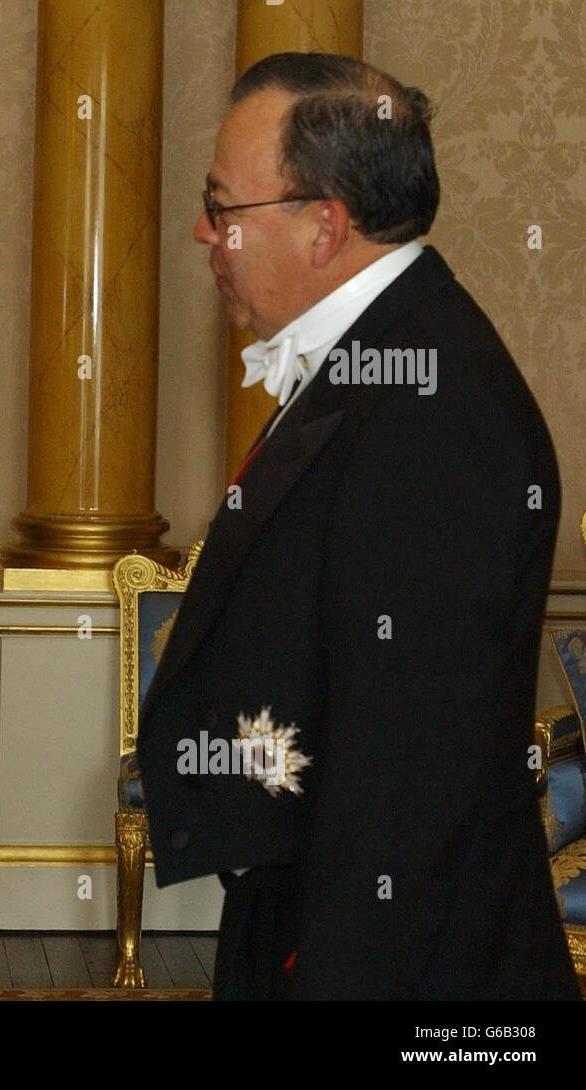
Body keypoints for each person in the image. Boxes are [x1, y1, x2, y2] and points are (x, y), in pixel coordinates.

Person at [136, 53, 578, 999]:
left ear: (324, 225)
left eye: (224, 208)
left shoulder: (434, 408)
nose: (203, 232)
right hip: (317, 913)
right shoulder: (382, 357)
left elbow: (416, 777)